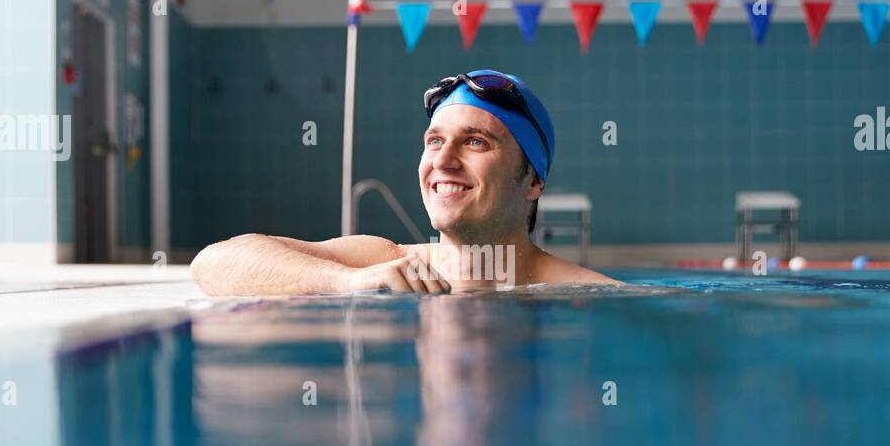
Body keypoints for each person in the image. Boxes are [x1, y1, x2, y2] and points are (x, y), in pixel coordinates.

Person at [190, 70, 620, 295]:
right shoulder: (384, 261)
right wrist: (346, 281)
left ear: (533, 181)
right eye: (434, 141)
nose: (444, 161)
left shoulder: (586, 293)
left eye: (475, 142)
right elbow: (213, 262)